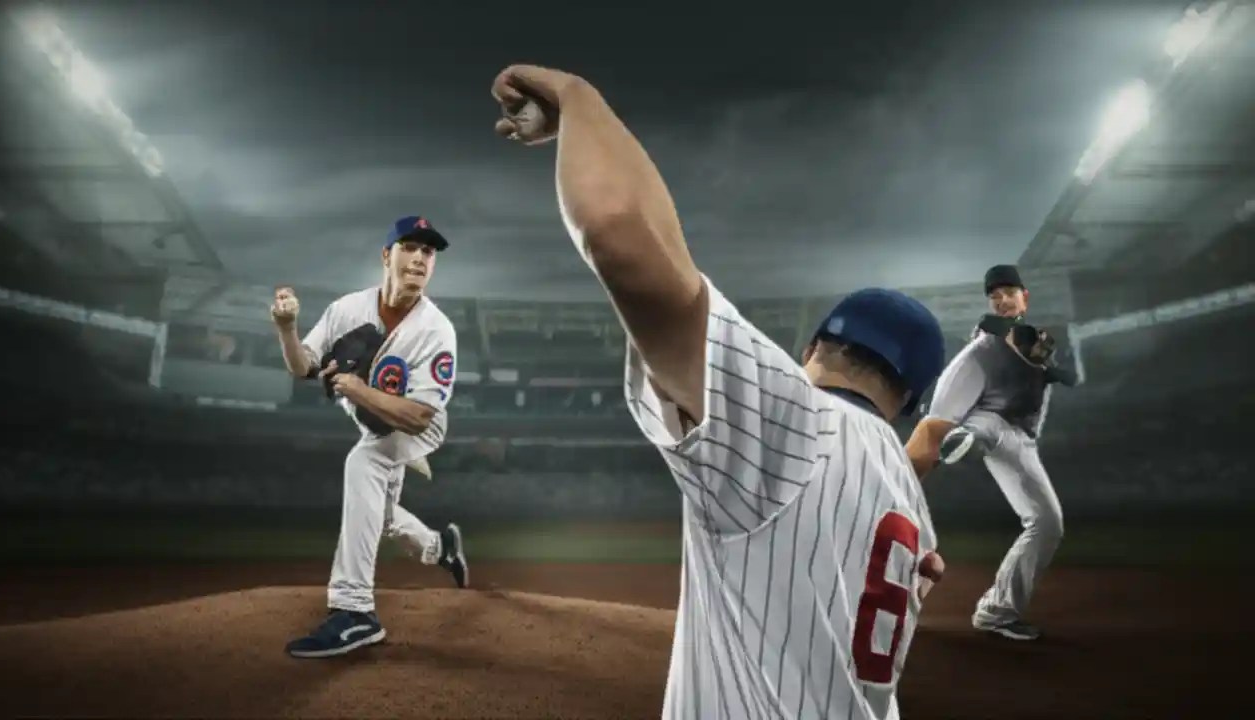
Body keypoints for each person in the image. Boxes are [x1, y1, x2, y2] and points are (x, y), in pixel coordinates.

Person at [493, 64, 947, 720]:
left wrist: (578, 99)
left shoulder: (794, 422)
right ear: (907, 400)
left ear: (811, 351)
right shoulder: (903, 490)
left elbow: (617, 230)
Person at [270, 215, 469, 659]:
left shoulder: (437, 331)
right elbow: (303, 365)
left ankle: (355, 609)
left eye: (428, 251)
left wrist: (359, 389)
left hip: (417, 427)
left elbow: (419, 417)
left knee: (365, 462)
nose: (419, 257)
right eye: (410, 247)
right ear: (387, 255)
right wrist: (287, 328)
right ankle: (441, 547)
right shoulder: (348, 310)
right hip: (372, 424)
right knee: (380, 515)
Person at [905, 264, 1073, 641]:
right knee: (975, 427)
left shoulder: (1036, 348)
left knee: (1048, 524)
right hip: (990, 421)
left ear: (1024, 296)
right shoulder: (990, 336)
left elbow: (1059, 370)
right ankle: (965, 436)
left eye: (1007, 293)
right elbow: (990, 327)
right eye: (994, 296)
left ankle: (997, 611)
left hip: (1022, 440)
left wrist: (1049, 366)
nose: (1000, 301)